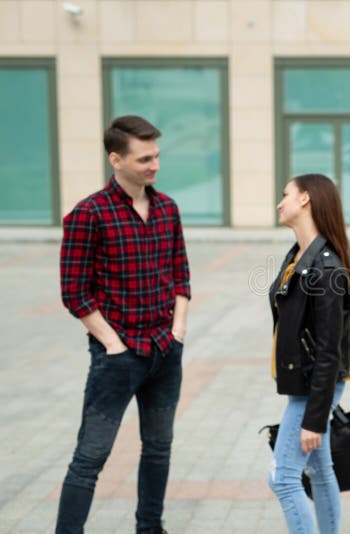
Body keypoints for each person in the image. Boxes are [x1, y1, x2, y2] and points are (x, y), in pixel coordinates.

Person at [57, 115, 190, 534]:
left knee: (158, 449)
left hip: (165, 351)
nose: (154, 165)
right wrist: (112, 343)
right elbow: (74, 292)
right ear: (116, 159)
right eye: (144, 158)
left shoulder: (167, 208)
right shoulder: (88, 214)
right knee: (90, 457)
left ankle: (150, 528)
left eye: (156, 156)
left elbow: (181, 276)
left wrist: (178, 332)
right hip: (118, 358)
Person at [267, 174, 350, 534]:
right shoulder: (299, 255)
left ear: (305, 199)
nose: (279, 202)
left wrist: (314, 418)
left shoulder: (327, 268)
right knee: (320, 471)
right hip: (305, 383)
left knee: (283, 477)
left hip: (312, 388)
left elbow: (330, 353)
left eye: (285, 194)